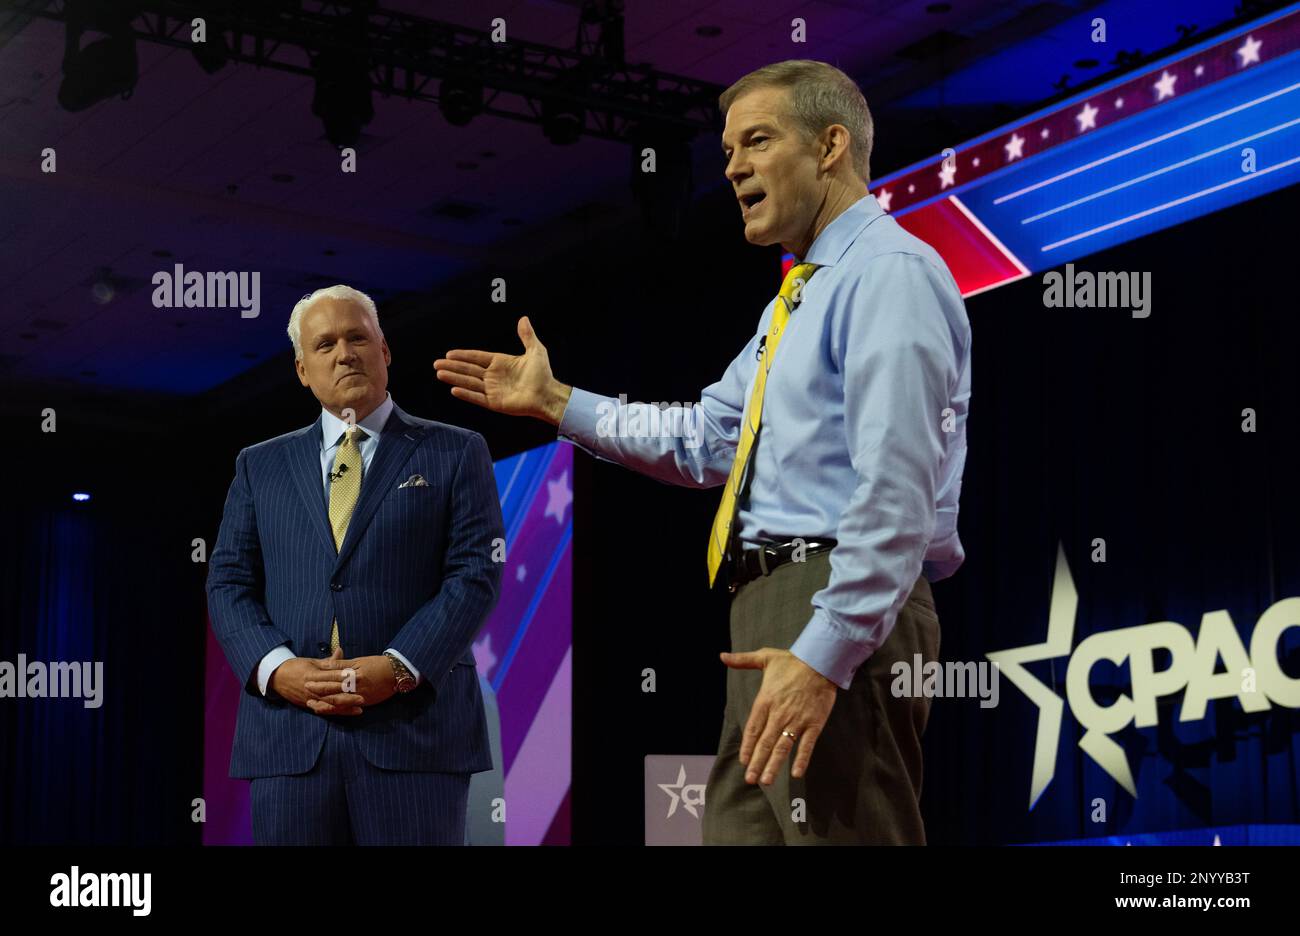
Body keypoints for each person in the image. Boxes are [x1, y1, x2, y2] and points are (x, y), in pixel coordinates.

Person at [433, 59, 971, 844]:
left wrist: (824, 653)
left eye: (757, 141)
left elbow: (897, 492)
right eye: (726, 152)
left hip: (838, 603)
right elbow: (710, 438)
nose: (734, 168)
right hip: (772, 610)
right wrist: (558, 403)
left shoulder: (889, 274)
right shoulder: (800, 296)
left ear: (829, 146)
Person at [208, 284, 503, 845]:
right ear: (302, 369)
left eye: (357, 337)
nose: (344, 353)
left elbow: (474, 574)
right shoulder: (258, 466)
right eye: (325, 345)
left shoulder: (456, 451)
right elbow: (228, 582)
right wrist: (278, 669)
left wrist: (396, 668)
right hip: (290, 739)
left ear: (385, 351)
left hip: (414, 733)